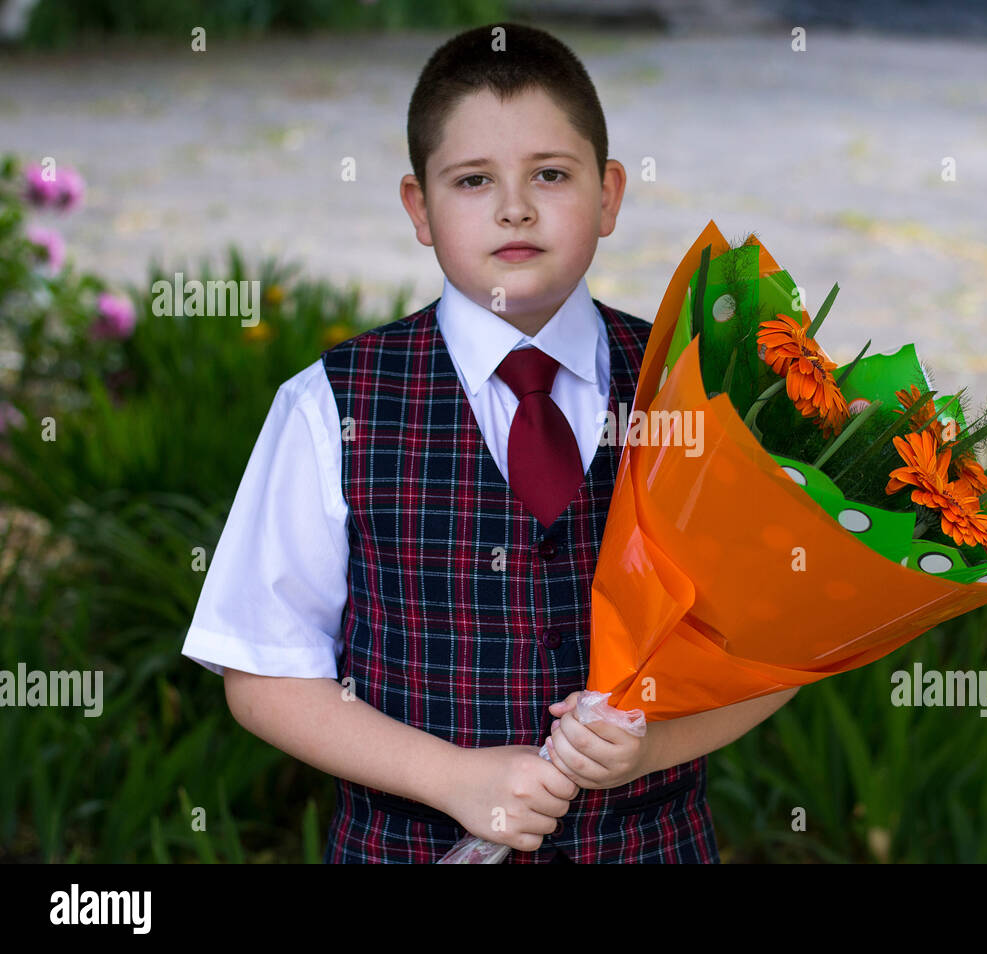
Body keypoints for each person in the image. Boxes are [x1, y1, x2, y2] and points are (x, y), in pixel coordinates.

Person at [182, 21, 798, 863]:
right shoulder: (331, 405)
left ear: (609, 193)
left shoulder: (693, 388)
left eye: (551, 173)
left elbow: (774, 646)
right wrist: (452, 777)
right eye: (473, 180)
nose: (516, 206)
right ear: (419, 208)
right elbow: (262, 673)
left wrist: (648, 749)